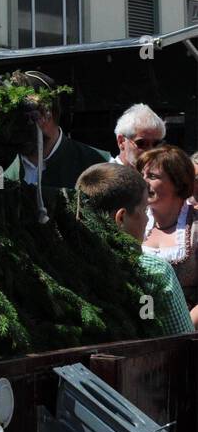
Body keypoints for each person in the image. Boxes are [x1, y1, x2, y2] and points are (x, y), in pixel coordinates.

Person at [75, 163, 193, 336]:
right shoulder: (153, 271)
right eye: (145, 210)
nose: (147, 219)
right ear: (121, 218)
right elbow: (181, 341)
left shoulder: (54, 262)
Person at [2, 71, 107, 188]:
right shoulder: (0, 168)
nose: (12, 127)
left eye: (21, 117)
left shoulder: (97, 164)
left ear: (47, 113)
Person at [138, 145, 198, 315]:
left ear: (178, 182)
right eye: (141, 175)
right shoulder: (135, 220)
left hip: (187, 332)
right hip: (143, 323)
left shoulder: (195, 227)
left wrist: (183, 330)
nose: (143, 182)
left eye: (151, 176)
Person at [112, 104, 166, 168]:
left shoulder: (162, 175)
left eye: (156, 144)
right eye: (141, 143)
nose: (150, 150)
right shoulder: (104, 176)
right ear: (121, 142)